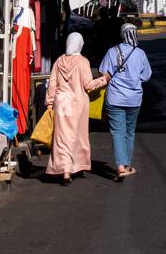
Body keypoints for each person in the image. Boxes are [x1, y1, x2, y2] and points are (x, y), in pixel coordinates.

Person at [45, 32, 107, 184]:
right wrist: (104, 79)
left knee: (62, 137)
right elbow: (88, 85)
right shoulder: (83, 62)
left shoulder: (59, 61)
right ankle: (76, 166)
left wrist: (50, 102)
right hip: (78, 104)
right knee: (77, 136)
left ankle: (65, 170)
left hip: (61, 103)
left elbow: (52, 83)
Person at [99, 24, 152, 180]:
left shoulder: (112, 51)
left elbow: (104, 72)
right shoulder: (140, 53)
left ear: (122, 35)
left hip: (115, 97)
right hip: (134, 99)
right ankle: (127, 165)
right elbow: (146, 75)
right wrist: (134, 79)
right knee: (130, 132)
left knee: (117, 132)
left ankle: (121, 167)